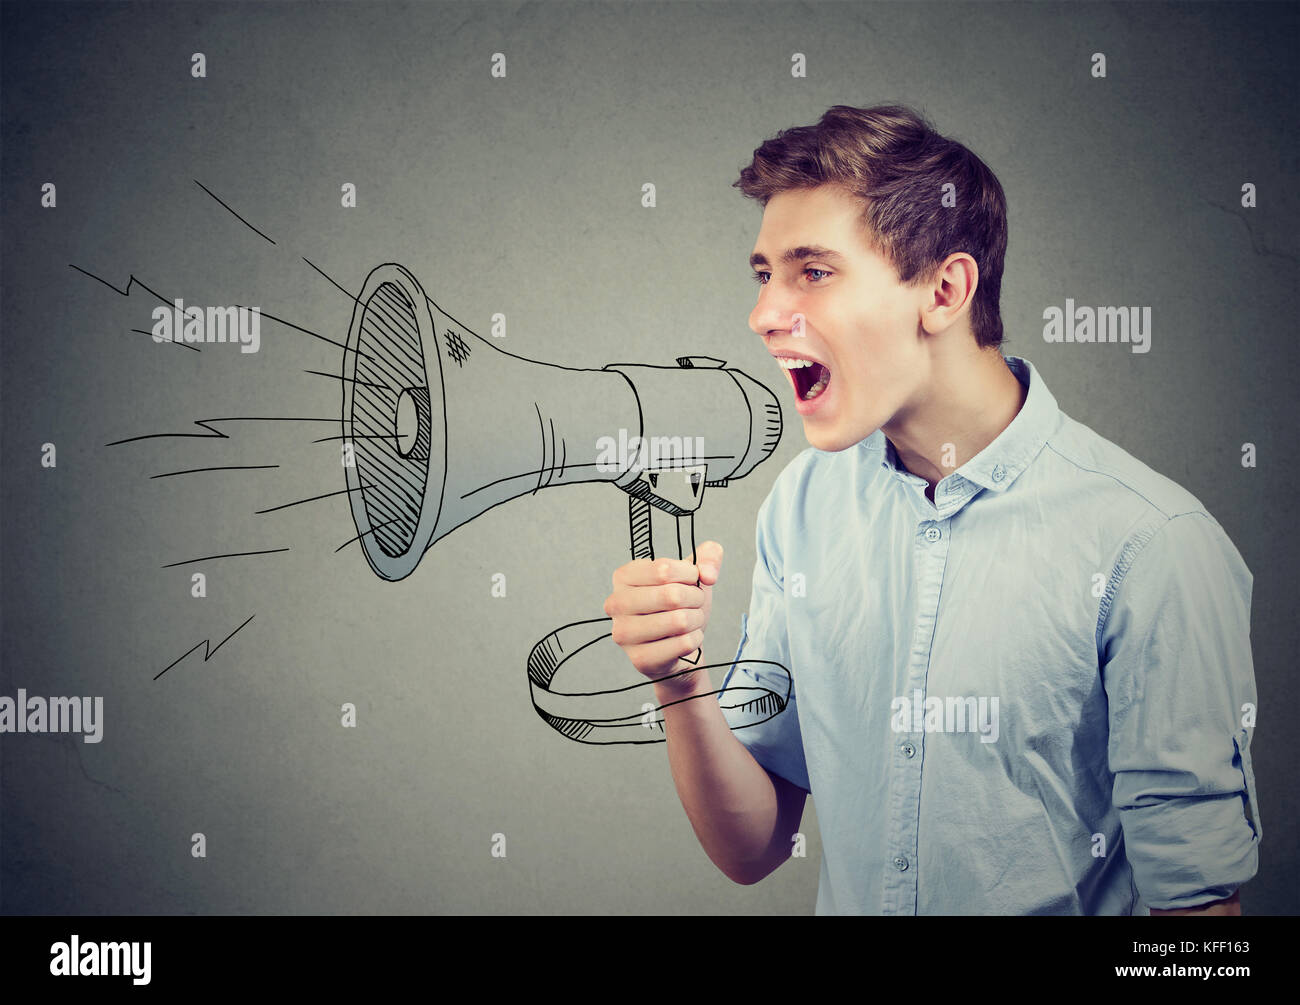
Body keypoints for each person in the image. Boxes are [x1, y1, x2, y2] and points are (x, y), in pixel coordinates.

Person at [603, 104, 1261, 915]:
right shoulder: (802, 505)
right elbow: (754, 845)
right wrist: (680, 681)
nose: (765, 314)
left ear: (944, 289)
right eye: (764, 274)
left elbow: (1200, 928)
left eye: (813, 271)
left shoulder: (1154, 546)